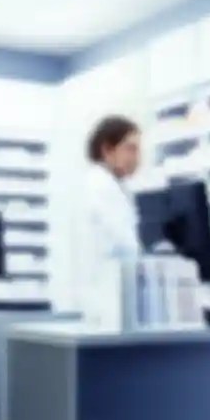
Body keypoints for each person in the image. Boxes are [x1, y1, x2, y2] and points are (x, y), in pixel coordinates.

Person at [75, 115, 142, 318]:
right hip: (107, 302)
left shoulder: (113, 186)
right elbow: (126, 245)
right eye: (131, 149)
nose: (138, 158)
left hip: (110, 300)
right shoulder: (101, 186)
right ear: (107, 150)